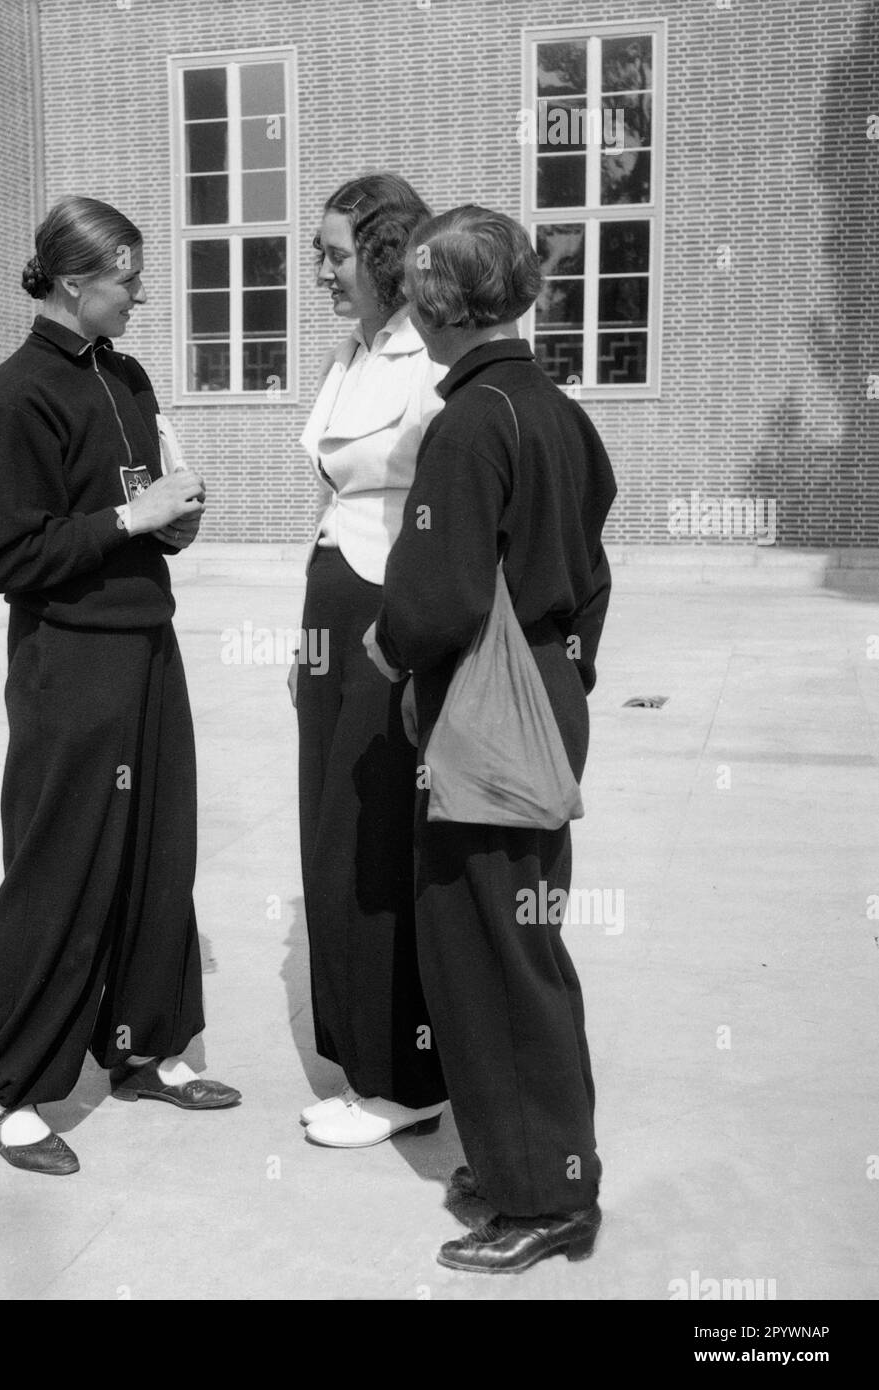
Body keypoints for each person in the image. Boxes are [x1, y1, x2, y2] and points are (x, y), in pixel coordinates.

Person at [0, 195, 240, 1176]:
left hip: (144, 642)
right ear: (76, 281)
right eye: (128, 277)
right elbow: (12, 556)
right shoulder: (10, 397)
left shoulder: (124, 374)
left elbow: (145, 498)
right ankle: (8, 1087)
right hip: (68, 660)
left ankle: (142, 1048)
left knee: (158, 852)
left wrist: (174, 516)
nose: (144, 293)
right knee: (60, 864)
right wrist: (133, 520)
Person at [369, 205, 617, 1269]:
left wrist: (387, 648)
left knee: (488, 952)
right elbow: (593, 562)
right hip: (545, 691)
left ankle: (547, 1197)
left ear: (435, 304)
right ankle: (530, 1163)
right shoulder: (555, 409)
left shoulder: (470, 422)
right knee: (516, 937)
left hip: (486, 707)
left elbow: (437, 598)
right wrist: (568, 672)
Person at [293, 173, 449, 1147]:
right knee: (329, 834)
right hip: (330, 617)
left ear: (385, 256)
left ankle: (403, 1079)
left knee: (377, 839)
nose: (318, 271)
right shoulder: (354, 351)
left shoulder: (431, 361)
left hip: (384, 620)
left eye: (333, 253)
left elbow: (447, 517)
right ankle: (359, 1060)